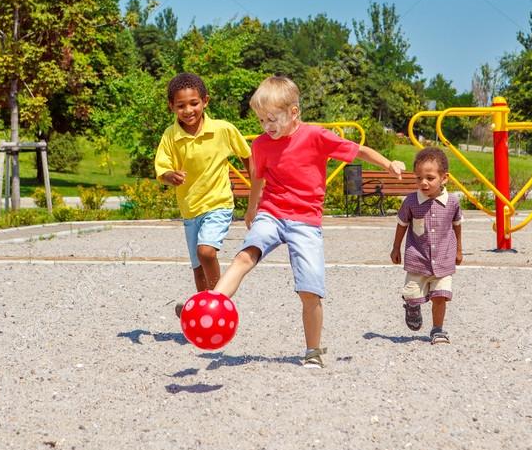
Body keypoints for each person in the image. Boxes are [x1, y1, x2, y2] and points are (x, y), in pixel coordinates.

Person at [213, 75, 406, 369]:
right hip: (272, 213)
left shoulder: (316, 136)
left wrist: (389, 164)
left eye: (272, 119)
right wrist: (251, 210)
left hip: (305, 220)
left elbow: (358, 150)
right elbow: (258, 179)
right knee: (244, 255)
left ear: (293, 113)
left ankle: (313, 350)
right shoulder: (262, 145)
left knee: (310, 290)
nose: (266, 127)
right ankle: (213, 304)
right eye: (261, 120)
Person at [155, 73, 251, 307]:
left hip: (219, 203)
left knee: (206, 252)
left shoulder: (223, 130)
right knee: (198, 268)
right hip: (190, 210)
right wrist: (170, 175)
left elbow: (248, 157)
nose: (188, 110)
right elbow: (162, 168)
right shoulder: (170, 135)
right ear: (172, 106)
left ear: (205, 101)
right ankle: (201, 309)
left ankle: (219, 300)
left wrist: (257, 191)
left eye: (194, 103)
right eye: (181, 105)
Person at [390, 146, 463, 344]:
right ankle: (412, 306)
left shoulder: (453, 202)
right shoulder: (411, 201)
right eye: (419, 178)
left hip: (443, 260)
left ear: (444, 178)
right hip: (417, 260)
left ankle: (438, 330)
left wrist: (458, 250)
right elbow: (402, 224)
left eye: (430, 178)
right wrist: (396, 247)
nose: (423, 182)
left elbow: (456, 226)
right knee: (412, 295)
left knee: (441, 296)